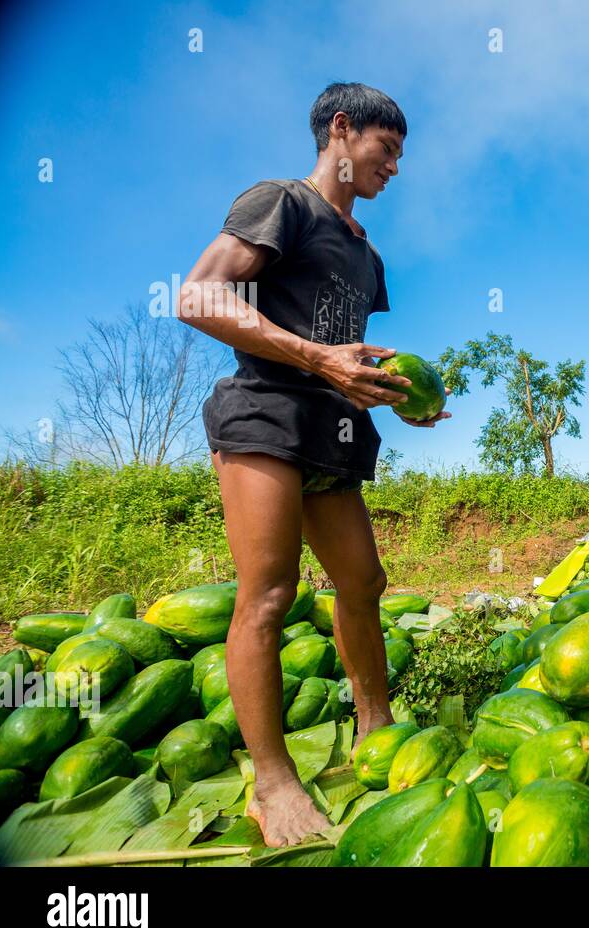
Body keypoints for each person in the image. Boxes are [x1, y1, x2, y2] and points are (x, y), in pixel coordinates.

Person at [177, 83, 448, 846]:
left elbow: (346, 345)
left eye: (399, 155)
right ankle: (273, 782)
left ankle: (376, 722)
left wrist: (395, 390)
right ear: (340, 130)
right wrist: (315, 357)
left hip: (333, 431)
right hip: (266, 414)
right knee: (268, 593)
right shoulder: (281, 204)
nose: (394, 167)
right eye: (385, 149)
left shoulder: (367, 253)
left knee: (363, 583)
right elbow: (199, 297)